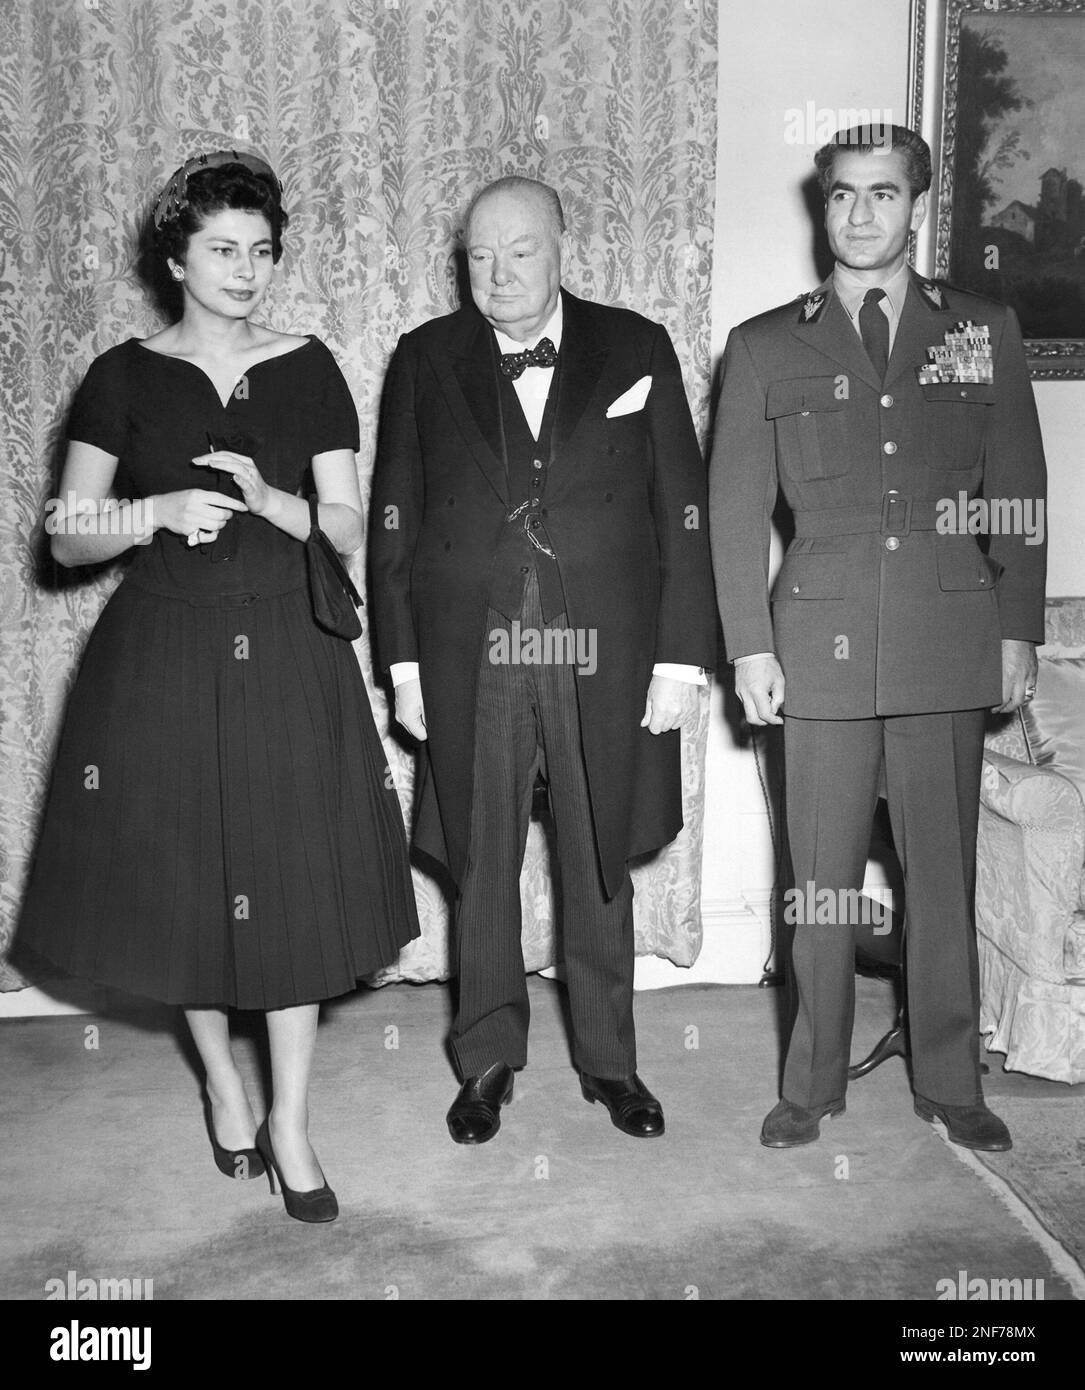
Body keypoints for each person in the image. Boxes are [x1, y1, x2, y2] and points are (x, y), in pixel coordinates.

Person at [18, 151, 419, 1221]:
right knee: (187, 890)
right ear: (176, 257)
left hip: (287, 652)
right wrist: (150, 515)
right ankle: (225, 1087)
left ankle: (290, 1119)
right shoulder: (122, 374)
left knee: (285, 885)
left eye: (263, 250)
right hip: (161, 658)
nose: (248, 270)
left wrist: (273, 499)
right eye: (224, 250)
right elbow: (64, 534)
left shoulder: (310, 364)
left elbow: (345, 528)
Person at [709, 125, 1047, 1152]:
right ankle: (809, 1081)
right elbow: (730, 512)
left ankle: (949, 1078)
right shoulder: (767, 342)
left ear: (916, 207)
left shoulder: (978, 328)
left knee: (938, 869)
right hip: (816, 645)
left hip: (948, 633)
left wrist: (1017, 631)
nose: (859, 215)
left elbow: (1015, 494)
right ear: (823, 208)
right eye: (841, 195)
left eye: (882, 194)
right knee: (818, 876)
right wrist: (747, 647)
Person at [370, 175, 715, 1144]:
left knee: (597, 853)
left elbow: (679, 516)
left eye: (518, 250)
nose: (497, 274)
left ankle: (610, 1062)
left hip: (600, 652)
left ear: (561, 244)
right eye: (478, 255)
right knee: (480, 855)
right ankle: (483, 1058)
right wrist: (402, 667)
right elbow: (392, 518)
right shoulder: (422, 359)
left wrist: (680, 660)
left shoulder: (636, 345)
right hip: (470, 653)